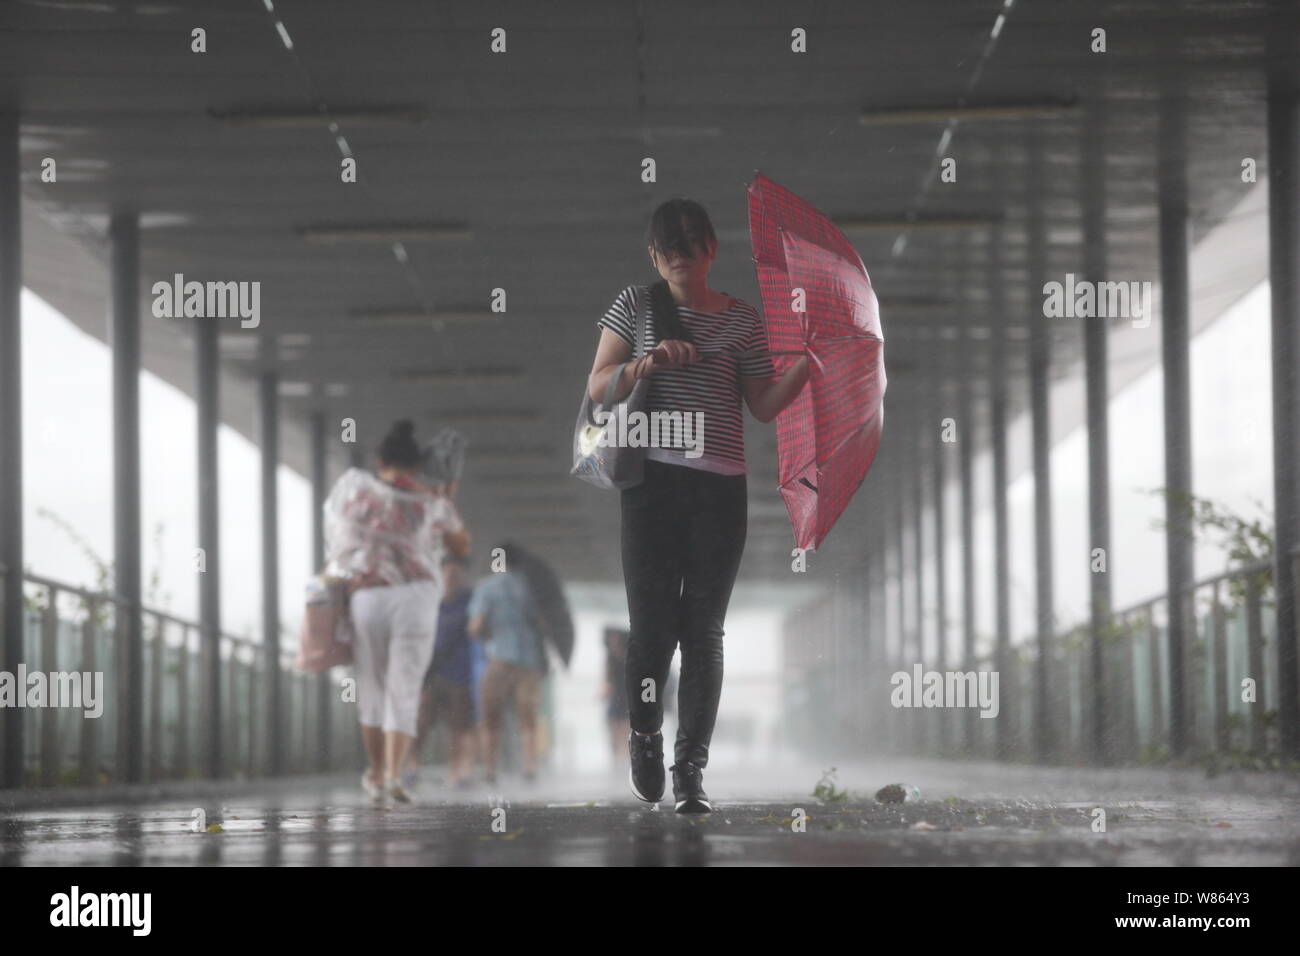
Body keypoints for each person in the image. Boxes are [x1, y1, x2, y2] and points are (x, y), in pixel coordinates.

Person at [586, 198, 809, 813]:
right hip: (652, 485)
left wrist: (805, 368)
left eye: (691, 244)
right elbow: (598, 384)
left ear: (713, 247)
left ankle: (691, 770)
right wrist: (644, 363)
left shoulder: (742, 320)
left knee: (704, 631)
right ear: (653, 256)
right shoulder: (635, 305)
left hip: (720, 488)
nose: (680, 257)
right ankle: (645, 736)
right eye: (668, 249)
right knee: (652, 630)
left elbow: (762, 405)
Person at [323, 419, 471, 805]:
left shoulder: (356, 497)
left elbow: (339, 545)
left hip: (368, 598)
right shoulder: (428, 500)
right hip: (416, 598)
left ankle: (374, 773)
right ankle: (393, 775)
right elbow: (461, 545)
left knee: (371, 688)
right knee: (404, 686)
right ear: (417, 464)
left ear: (380, 459)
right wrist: (447, 498)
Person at [467, 541, 548, 783]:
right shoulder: (530, 587)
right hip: (529, 663)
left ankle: (491, 769)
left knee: (491, 717)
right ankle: (530, 766)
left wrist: (485, 635)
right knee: (528, 718)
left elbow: (476, 626)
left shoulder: (487, 588)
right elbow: (542, 624)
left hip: (500, 661)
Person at [410, 554, 477, 788]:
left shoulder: (471, 601)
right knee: (421, 722)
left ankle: (457, 772)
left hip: (459, 673)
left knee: (457, 725)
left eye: (457, 573)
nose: (452, 577)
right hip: (431, 672)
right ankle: (412, 767)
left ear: (464, 576)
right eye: (448, 572)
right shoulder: (429, 602)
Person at [603, 627, 631, 768]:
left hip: (626, 694)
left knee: (624, 722)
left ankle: (624, 750)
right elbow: (608, 677)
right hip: (616, 695)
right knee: (613, 721)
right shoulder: (610, 657)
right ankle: (617, 750)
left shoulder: (627, 655)